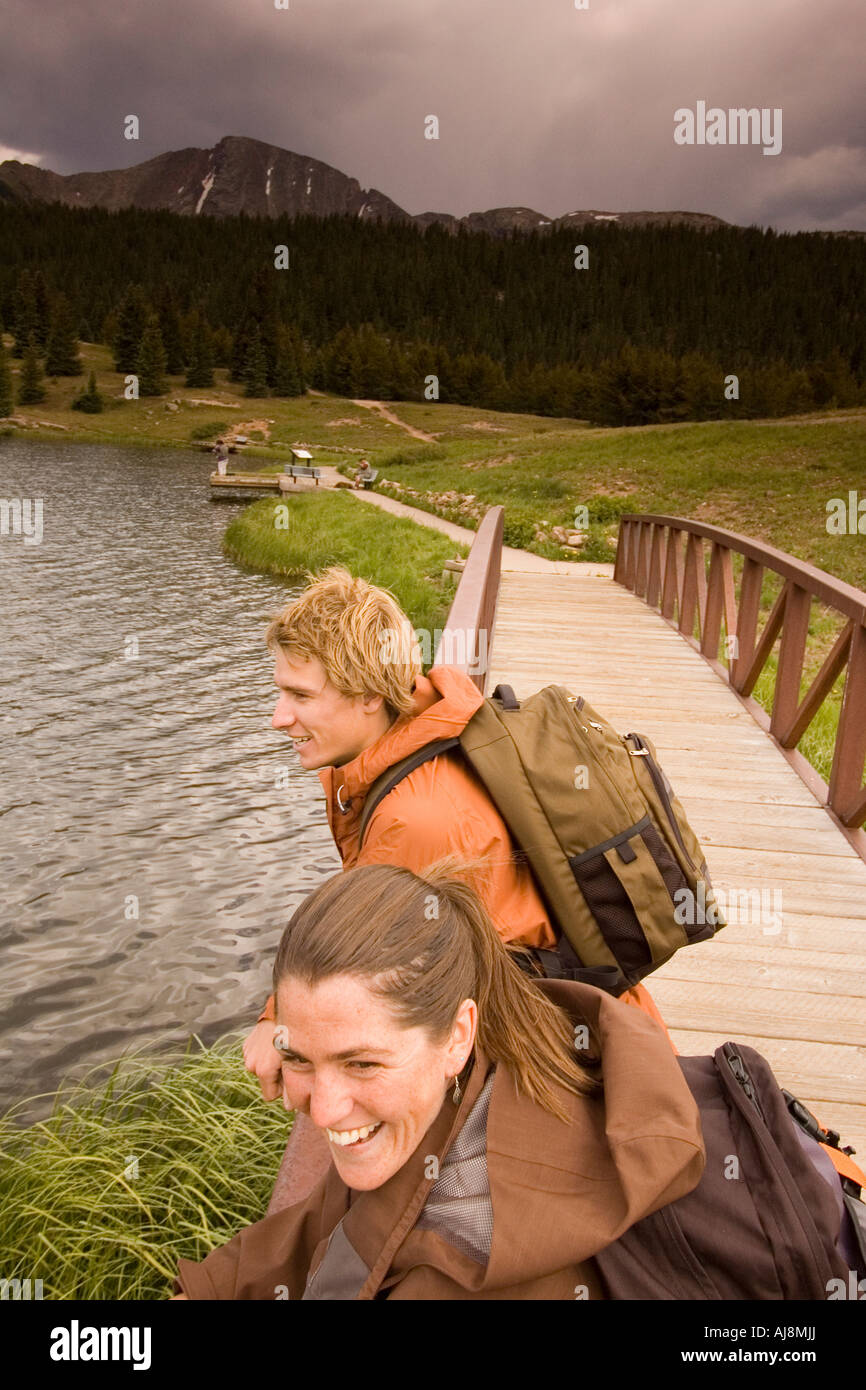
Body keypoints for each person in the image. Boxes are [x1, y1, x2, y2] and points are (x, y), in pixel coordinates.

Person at [242, 567, 673, 1209]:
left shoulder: (419, 817)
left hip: (554, 1045)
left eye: (300, 697)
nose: (280, 718)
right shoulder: (414, 733)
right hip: (556, 1003)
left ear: (368, 696)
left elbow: (358, 956)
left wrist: (277, 1029)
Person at [175, 862, 705, 1300]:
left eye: (362, 1064)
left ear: (457, 1035)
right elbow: (318, 1228)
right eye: (299, 1061)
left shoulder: (463, 1256)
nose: (325, 1111)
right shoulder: (479, 1080)